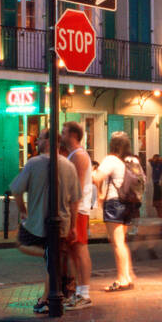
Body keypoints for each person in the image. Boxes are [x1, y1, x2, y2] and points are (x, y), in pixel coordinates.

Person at [10, 131, 80, 315]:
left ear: (48, 142)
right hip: (62, 221)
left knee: (23, 244)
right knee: (52, 257)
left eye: (40, 138)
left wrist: (23, 211)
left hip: (37, 220)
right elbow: (75, 200)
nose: (37, 141)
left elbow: (16, 190)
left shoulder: (34, 163)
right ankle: (51, 259)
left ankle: (46, 298)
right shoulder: (69, 165)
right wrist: (73, 225)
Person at [92, 132, 142, 291]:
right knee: (122, 242)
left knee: (117, 243)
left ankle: (122, 279)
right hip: (128, 203)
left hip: (114, 203)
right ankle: (127, 275)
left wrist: (99, 191)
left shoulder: (111, 160)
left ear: (112, 145)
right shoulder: (130, 160)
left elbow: (97, 178)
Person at [58, 121, 94, 309]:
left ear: (72, 135)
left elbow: (77, 189)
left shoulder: (79, 156)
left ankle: (84, 293)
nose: (61, 136)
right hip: (75, 209)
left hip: (78, 210)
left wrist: (72, 221)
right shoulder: (74, 155)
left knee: (80, 249)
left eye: (64, 132)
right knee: (74, 251)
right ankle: (79, 291)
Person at [149, 154, 162, 221]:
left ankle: (160, 214)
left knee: (159, 197)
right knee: (157, 197)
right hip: (156, 182)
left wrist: (159, 161)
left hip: (160, 182)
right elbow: (150, 160)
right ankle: (159, 213)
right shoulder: (154, 164)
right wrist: (155, 160)